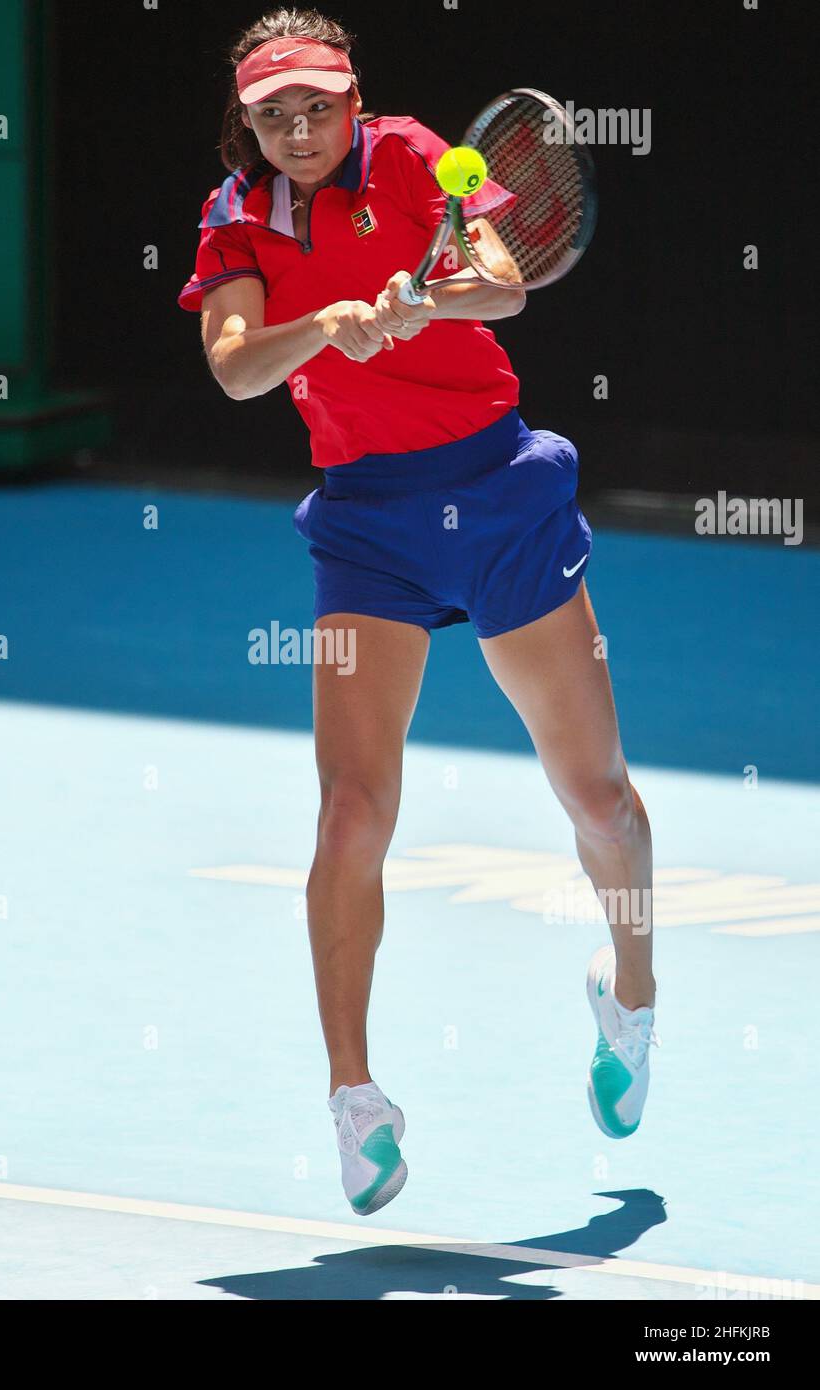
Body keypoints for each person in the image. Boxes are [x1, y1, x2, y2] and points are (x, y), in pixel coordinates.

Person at [178, 8, 659, 1216]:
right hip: (368, 531)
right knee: (349, 809)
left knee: (594, 791)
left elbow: (501, 286)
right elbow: (237, 363)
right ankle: (355, 1101)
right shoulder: (235, 218)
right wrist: (326, 326)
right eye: (273, 111)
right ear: (247, 120)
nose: (299, 129)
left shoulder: (409, 157)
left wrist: (424, 299)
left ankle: (634, 993)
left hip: (499, 497)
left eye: (317, 104)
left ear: (353, 98)